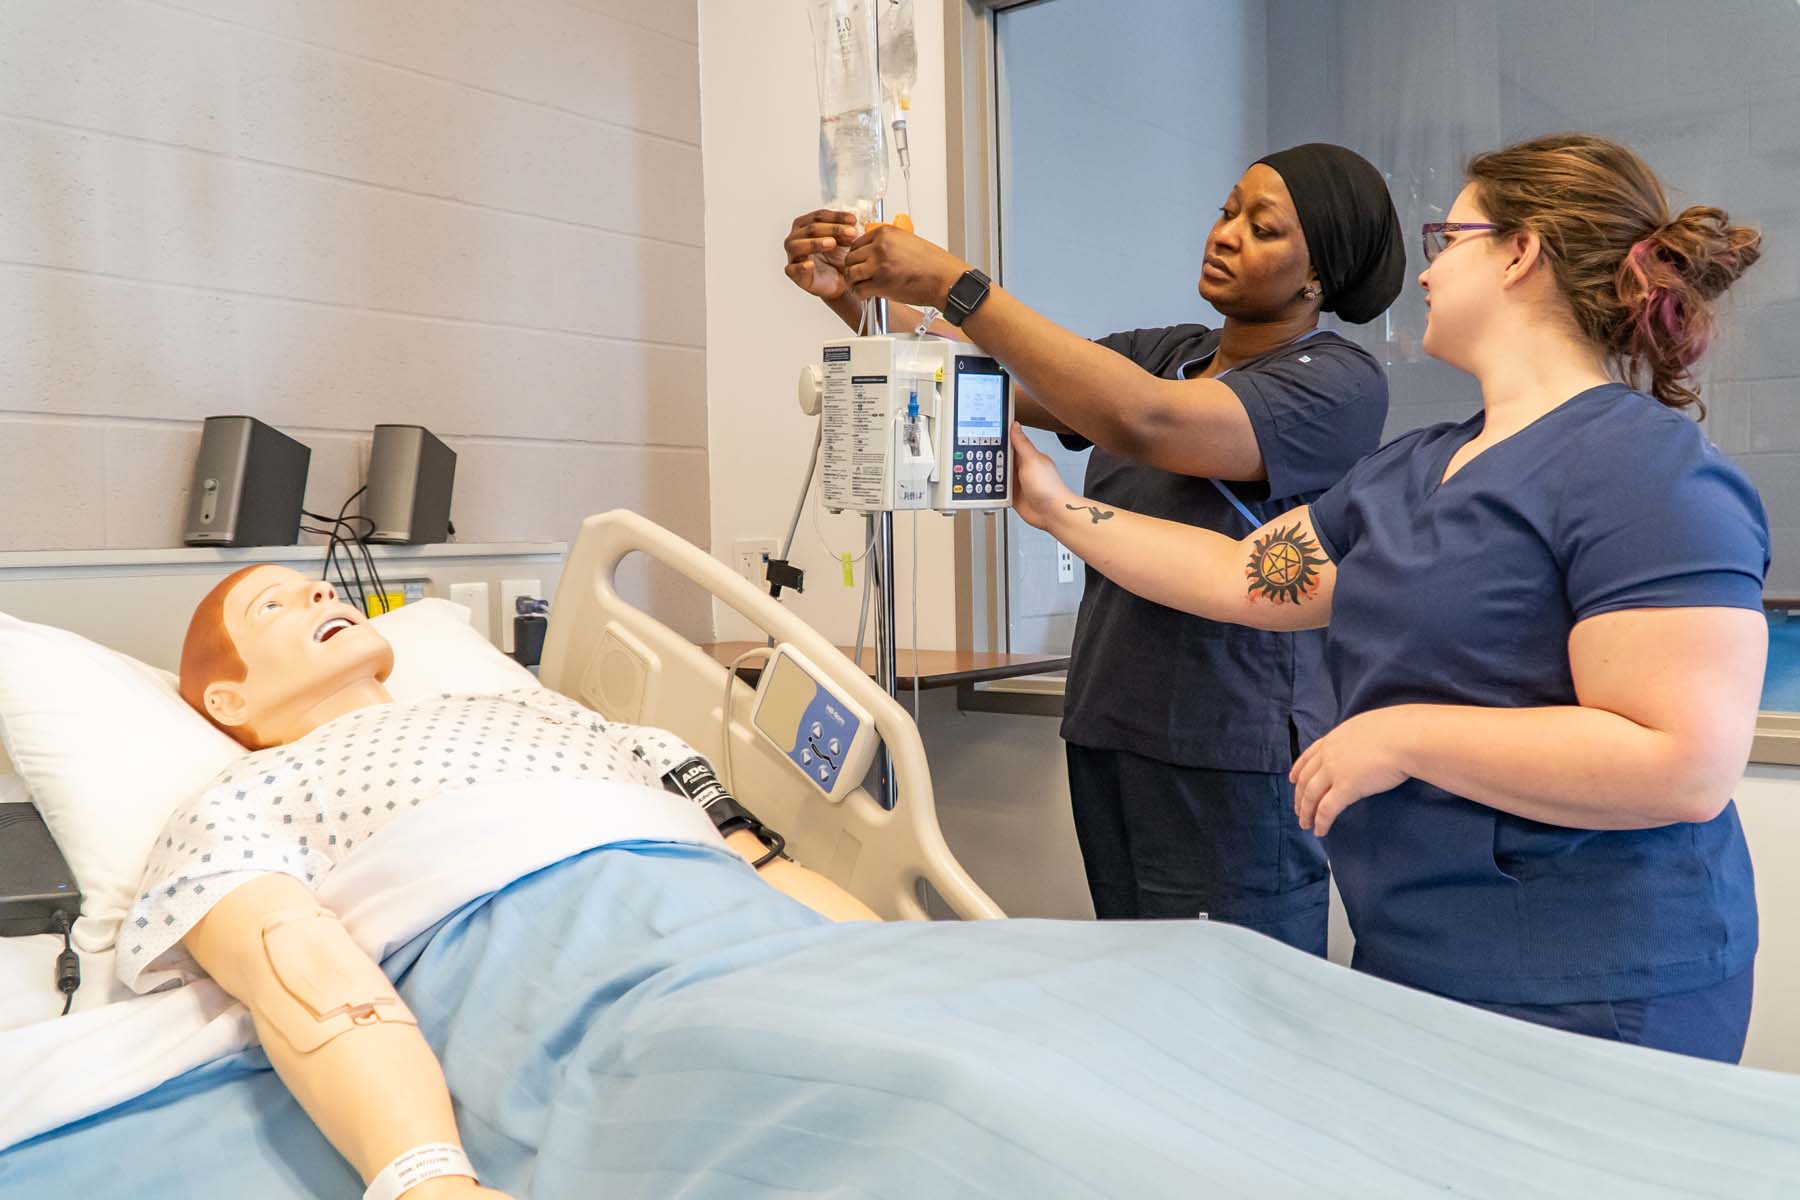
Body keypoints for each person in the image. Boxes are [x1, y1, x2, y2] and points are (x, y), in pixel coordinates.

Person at [1004, 133, 1767, 1062]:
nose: (1428, 271)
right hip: (1416, 960)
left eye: (1451, 238)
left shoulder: (1645, 469)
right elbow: (1242, 574)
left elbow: (1683, 764)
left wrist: (1403, 736)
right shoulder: (1418, 469)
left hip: (1593, 983)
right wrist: (1056, 508)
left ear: (1520, 254)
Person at [786, 143, 1405, 951]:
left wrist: (955, 282)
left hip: (1227, 750)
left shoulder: (1335, 383)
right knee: (1135, 986)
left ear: (1317, 275)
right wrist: (851, 292)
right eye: (1227, 212)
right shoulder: (1169, 353)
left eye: (1263, 228)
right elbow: (999, 372)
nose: (1225, 235)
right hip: (1111, 729)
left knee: (1230, 1003)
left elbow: (1144, 420)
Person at [122, 565, 876, 1200]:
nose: (321, 594)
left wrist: (899, 963)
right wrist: (425, 1178)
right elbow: (305, 975)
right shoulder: (241, 796)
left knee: (894, 1036)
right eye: (273, 606)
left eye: (318, 588)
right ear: (228, 701)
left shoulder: (540, 710)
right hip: (553, 955)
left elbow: (766, 868)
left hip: (738, 921)